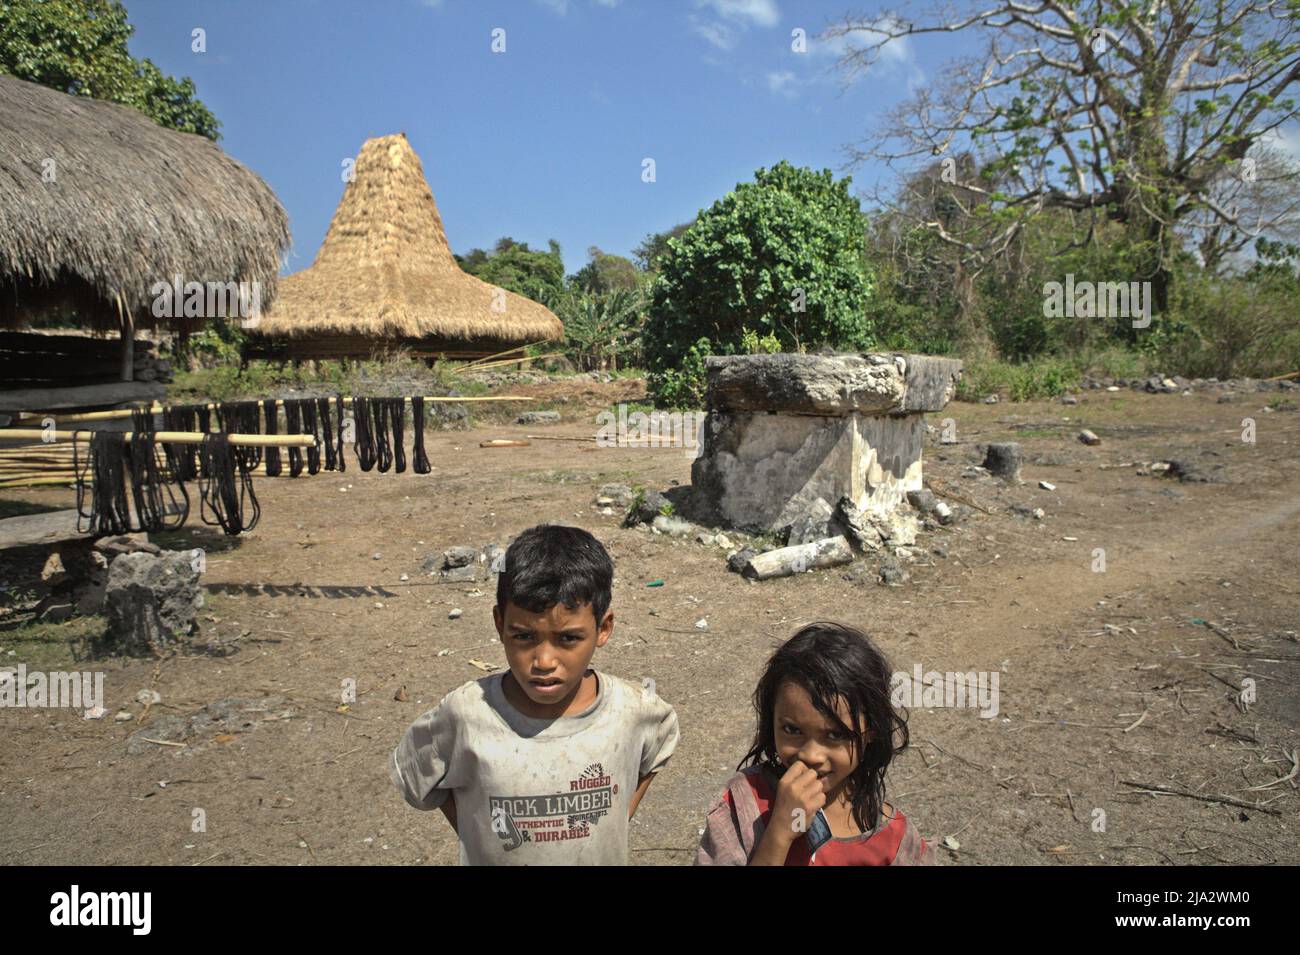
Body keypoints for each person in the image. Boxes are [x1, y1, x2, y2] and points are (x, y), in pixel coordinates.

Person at [390, 523, 679, 865]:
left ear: (603, 629)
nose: (543, 661)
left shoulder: (635, 711)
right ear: (500, 625)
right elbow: (418, 776)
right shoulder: (465, 714)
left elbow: (656, 751)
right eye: (524, 636)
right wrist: (479, 836)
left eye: (568, 638)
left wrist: (615, 820)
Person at [695, 622, 935, 865]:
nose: (810, 755)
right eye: (792, 729)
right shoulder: (744, 806)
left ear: (870, 731)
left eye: (835, 735)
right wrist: (779, 834)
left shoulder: (895, 843)